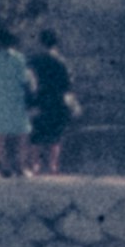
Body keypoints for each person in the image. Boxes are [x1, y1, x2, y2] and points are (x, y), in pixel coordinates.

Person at [0, 28, 37, 177]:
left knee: (0, 134)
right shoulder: (19, 58)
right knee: (21, 134)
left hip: (0, 99)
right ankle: (20, 165)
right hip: (17, 99)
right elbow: (25, 81)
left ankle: (4, 165)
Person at [26, 31, 78, 178]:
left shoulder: (34, 60)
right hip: (57, 100)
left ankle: (35, 164)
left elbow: (29, 80)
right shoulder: (61, 62)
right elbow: (68, 84)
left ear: (41, 42)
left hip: (40, 99)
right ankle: (53, 165)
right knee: (55, 135)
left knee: (36, 134)